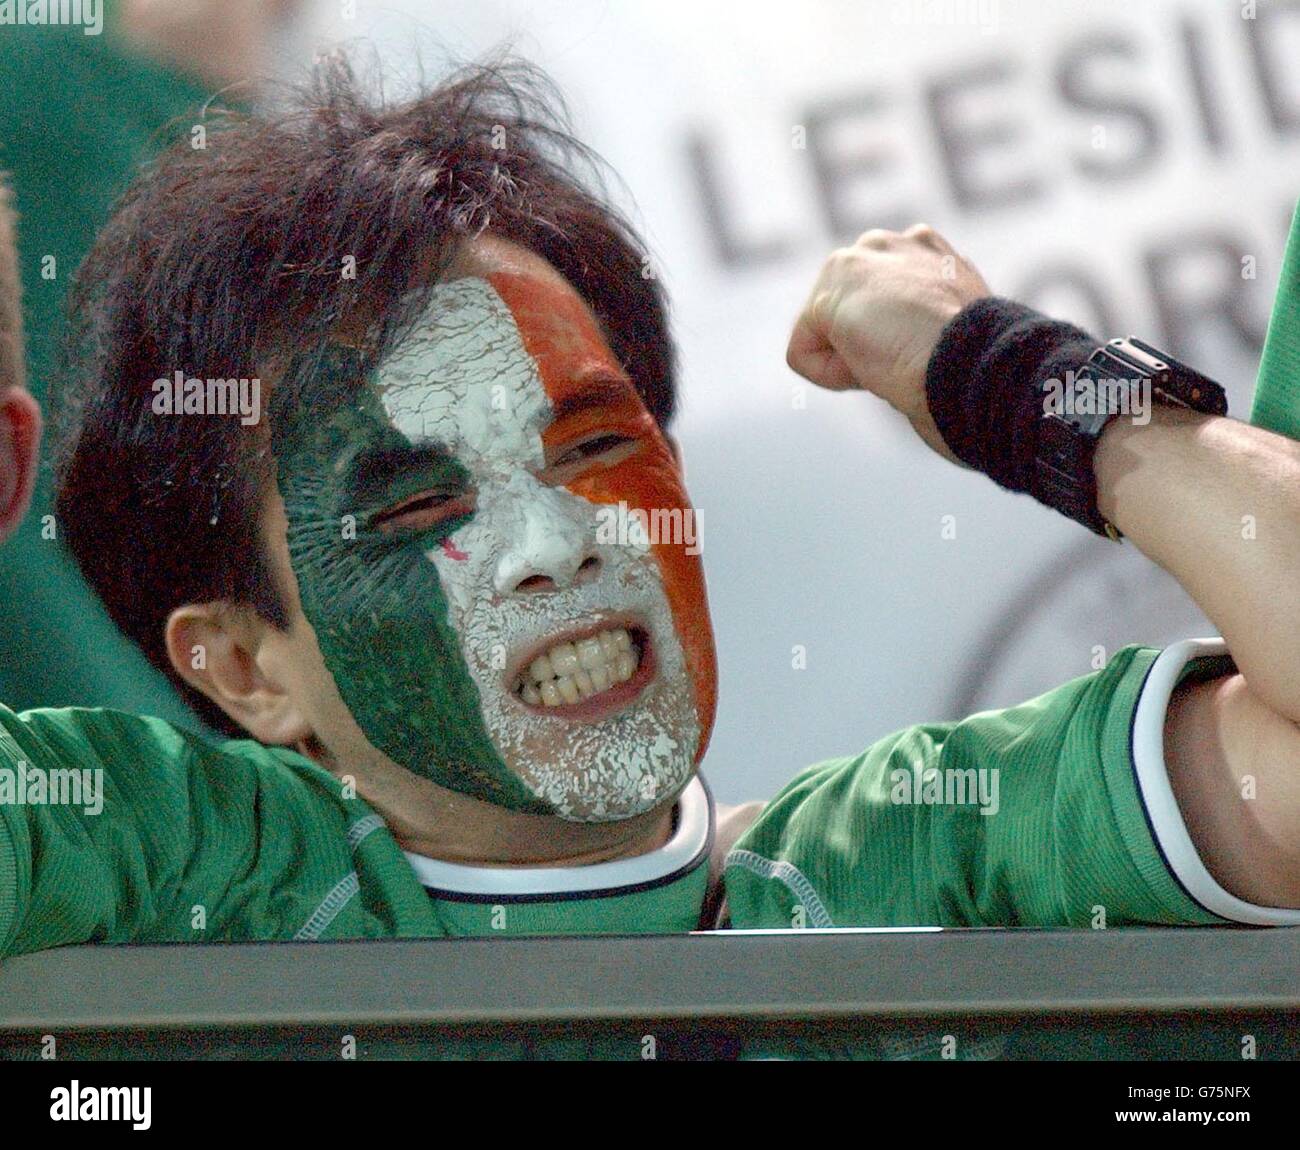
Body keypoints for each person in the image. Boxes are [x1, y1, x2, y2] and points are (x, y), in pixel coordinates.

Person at [2, 58, 1298, 1060]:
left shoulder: (914, 852)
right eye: (413, 508)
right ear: (242, 666)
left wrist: (1004, 376)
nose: (556, 542)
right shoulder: (180, 862)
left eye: (592, 443)